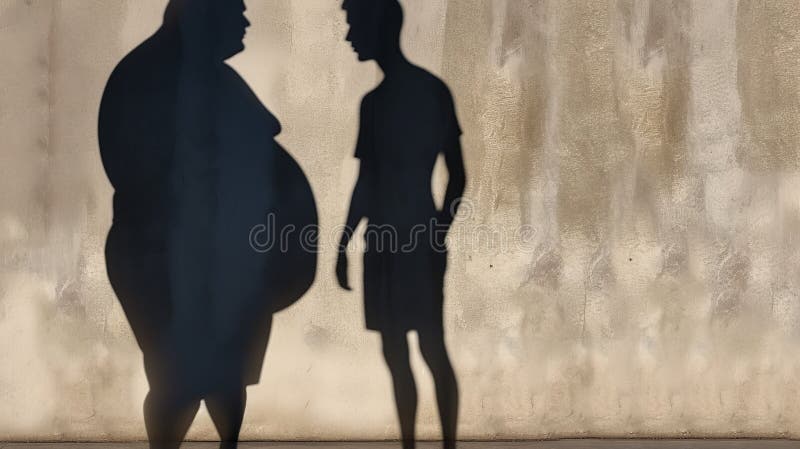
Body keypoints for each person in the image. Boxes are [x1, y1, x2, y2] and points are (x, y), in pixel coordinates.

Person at [98, 0, 317, 447]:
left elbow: (260, 141)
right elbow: (140, 173)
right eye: (236, 11)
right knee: (178, 377)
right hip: (169, 256)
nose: (245, 21)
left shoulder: (211, 79)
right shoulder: (148, 77)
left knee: (222, 372)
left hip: (225, 253)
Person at [336, 1, 467, 448]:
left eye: (354, 25)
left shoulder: (387, 101)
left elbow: (455, 175)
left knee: (418, 347)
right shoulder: (415, 94)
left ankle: (431, 443)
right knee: (413, 348)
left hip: (400, 240)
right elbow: (370, 181)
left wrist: (436, 232)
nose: (349, 36)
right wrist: (437, 230)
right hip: (399, 240)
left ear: (378, 27)